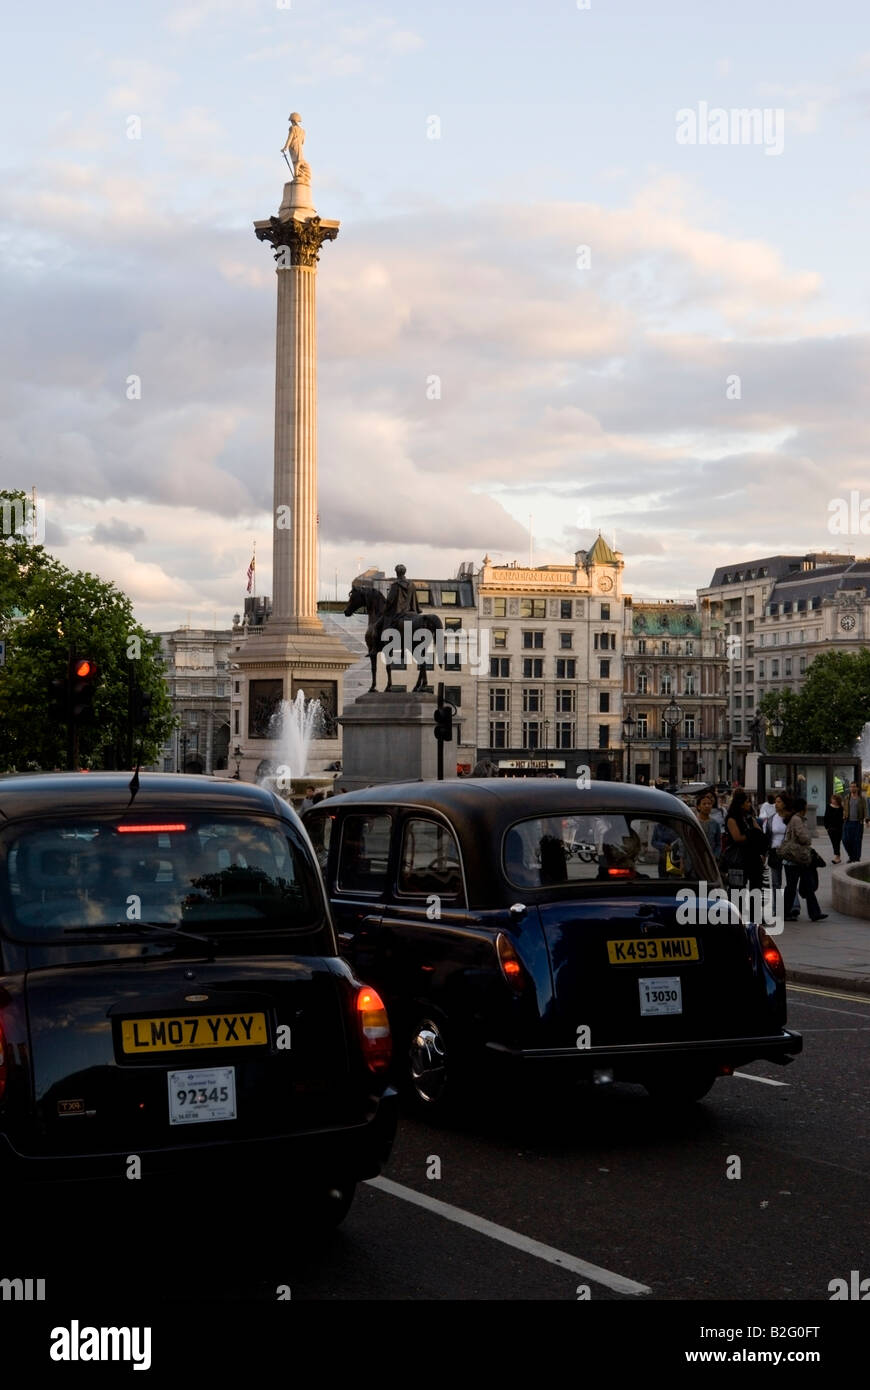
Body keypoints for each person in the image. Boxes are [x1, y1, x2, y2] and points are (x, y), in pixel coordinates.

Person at [780, 797, 827, 922]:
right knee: (792, 887)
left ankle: (815, 912)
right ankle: (785, 912)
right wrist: (808, 839)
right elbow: (802, 837)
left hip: (798, 859)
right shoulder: (796, 819)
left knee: (807, 885)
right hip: (795, 859)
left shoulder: (795, 819)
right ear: (803, 808)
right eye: (805, 806)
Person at [722, 788, 766, 891]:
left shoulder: (749, 818)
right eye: (747, 802)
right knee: (736, 891)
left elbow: (759, 833)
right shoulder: (732, 818)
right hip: (737, 858)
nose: (749, 804)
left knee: (756, 889)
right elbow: (737, 838)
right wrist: (751, 835)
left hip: (753, 857)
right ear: (740, 804)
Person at [766, 793, 791, 894]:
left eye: (779, 802)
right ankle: (777, 907)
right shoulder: (772, 818)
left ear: (784, 804)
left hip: (788, 852)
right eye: (775, 802)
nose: (776, 804)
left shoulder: (790, 818)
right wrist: (765, 852)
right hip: (774, 851)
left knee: (791, 881)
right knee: (776, 883)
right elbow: (768, 835)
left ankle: (794, 907)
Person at [841, 781, 866, 863]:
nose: (852, 788)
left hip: (858, 823)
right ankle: (852, 856)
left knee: (857, 842)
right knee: (845, 840)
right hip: (847, 822)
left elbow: (865, 810)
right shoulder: (847, 797)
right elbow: (844, 808)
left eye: (854, 786)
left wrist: (866, 820)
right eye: (851, 787)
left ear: (857, 788)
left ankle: (856, 858)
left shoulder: (861, 798)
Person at [823, 793, 844, 865]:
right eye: (832, 799)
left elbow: (842, 818)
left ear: (837, 800)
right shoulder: (828, 806)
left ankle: (837, 857)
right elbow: (826, 817)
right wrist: (827, 827)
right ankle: (837, 856)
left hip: (839, 828)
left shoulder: (841, 808)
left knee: (836, 842)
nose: (832, 800)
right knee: (834, 842)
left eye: (834, 799)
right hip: (831, 828)